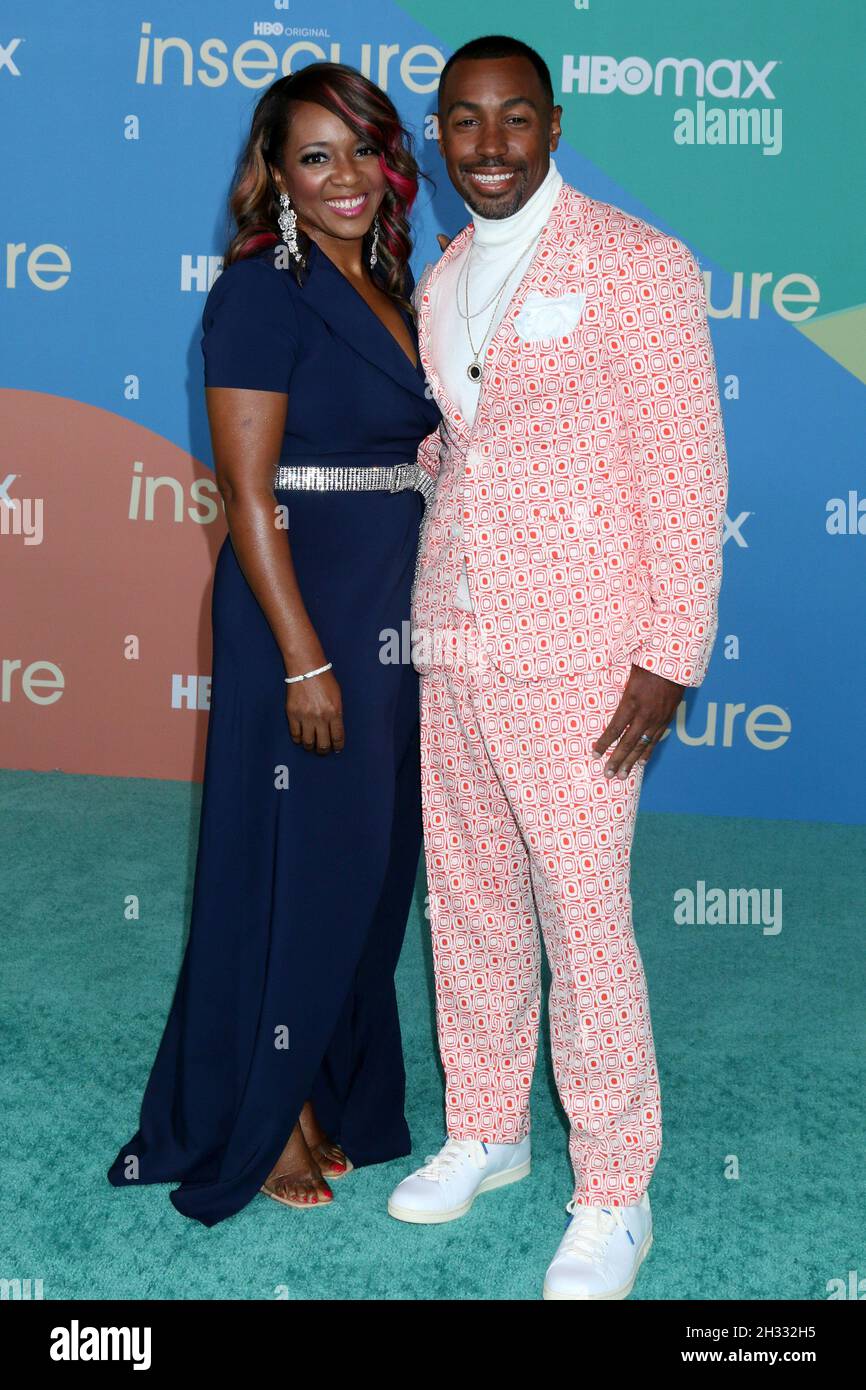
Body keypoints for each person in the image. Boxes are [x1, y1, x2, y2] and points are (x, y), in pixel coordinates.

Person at [388, 35, 728, 1299]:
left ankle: (613, 1190)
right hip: (457, 626)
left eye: (513, 119)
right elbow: (468, 440)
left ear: (553, 122)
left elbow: (685, 467)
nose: (487, 145)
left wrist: (669, 650)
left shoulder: (637, 264)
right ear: (439, 132)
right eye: (464, 122)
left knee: (583, 923)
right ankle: (487, 1126)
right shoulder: (445, 274)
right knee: (468, 896)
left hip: (586, 646)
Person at [107, 62, 442, 1226]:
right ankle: (270, 1106)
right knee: (294, 860)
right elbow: (248, 496)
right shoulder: (259, 291)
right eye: (315, 157)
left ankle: (337, 1085)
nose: (344, 177)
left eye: (360, 151)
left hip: (397, 605)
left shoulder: (398, 274)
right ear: (275, 177)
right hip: (300, 605)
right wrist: (305, 659)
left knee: (369, 866)